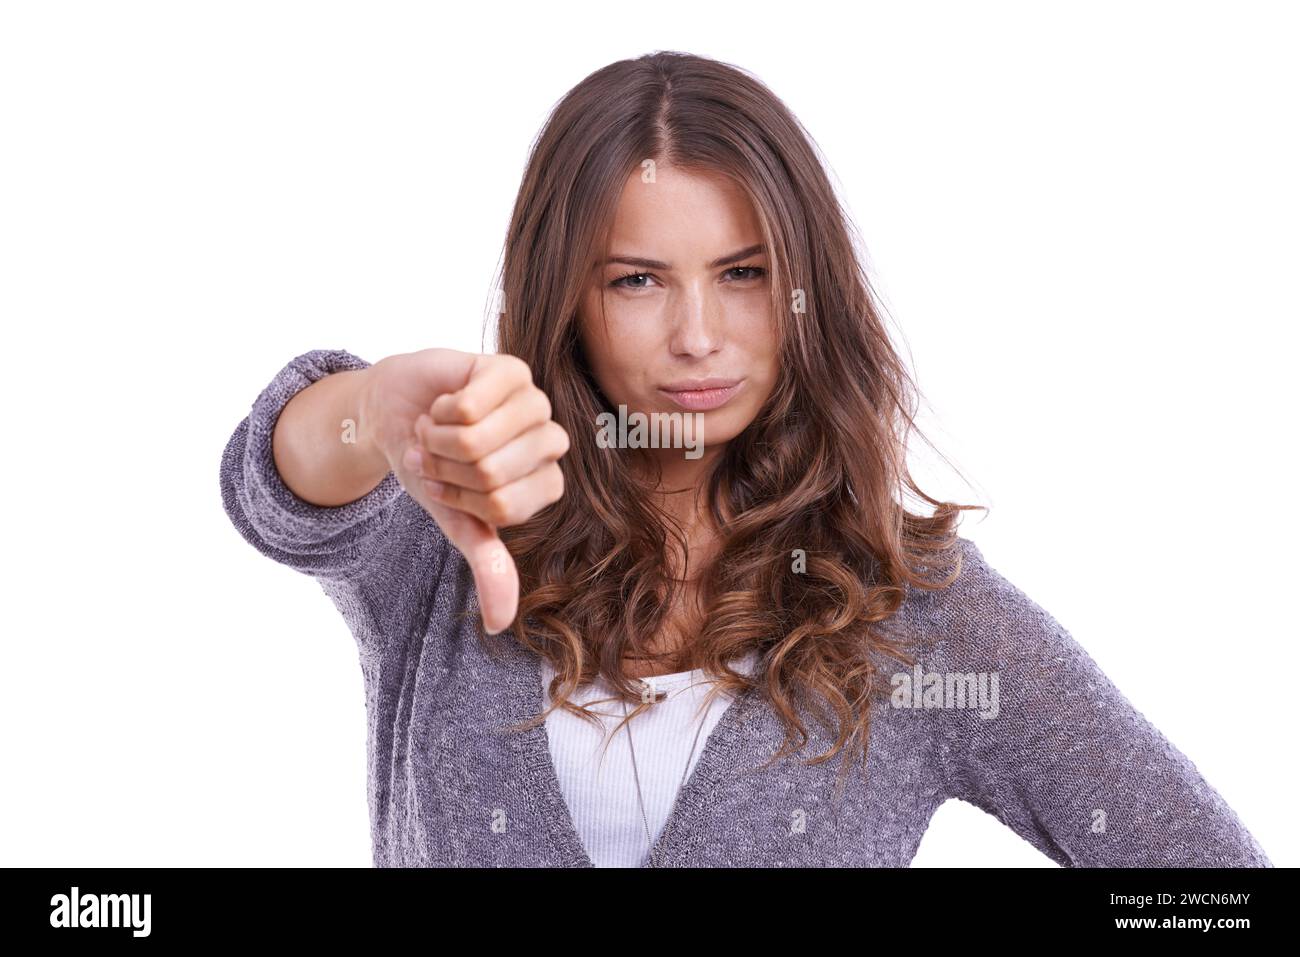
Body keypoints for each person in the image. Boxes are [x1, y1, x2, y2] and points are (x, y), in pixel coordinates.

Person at [218, 51, 1271, 867]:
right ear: (565, 298)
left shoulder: (912, 613)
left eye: (742, 274)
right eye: (636, 280)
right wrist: (369, 407)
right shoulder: (453, 530)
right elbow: (279, 494)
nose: (698, 336)